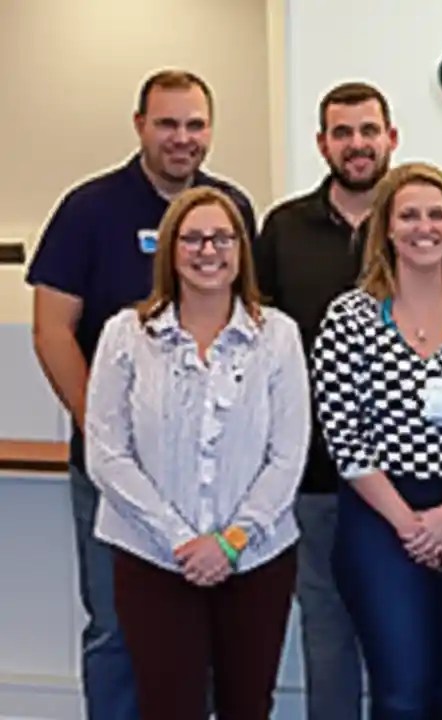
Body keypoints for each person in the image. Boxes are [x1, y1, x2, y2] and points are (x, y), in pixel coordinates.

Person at [24, 68, 255, 720]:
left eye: (195, 125)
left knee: (202, 632)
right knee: (119, 631)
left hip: (211, 475)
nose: (182, 139)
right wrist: (108, 438)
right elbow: (51, 333)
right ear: (139, 126)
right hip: (114, 476)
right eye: (167, 124)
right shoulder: (89, 209)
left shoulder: (231, 206)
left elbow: (253, 326)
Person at [83, 186, 305, 719]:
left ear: (241, 251)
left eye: (223, 238)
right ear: (170, 251)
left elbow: (288, 455)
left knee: (247, 706)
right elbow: (106, 453)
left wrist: (230, 541)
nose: (209, 251)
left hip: (256, 558)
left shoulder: (278, 336)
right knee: (168, 706)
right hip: (153, 558)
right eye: (193, 239)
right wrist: (183, 541)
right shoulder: (125, 335)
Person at [311, 161, 442, 718]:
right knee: (401, 694)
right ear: (386, 228)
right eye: (408, 216)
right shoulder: (348, 318)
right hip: (380, 519)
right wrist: (412, 526)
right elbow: (345, 437)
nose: (423, 227)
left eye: (436, 214)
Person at [254, 80, 399, 720]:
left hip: (408, 479)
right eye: (343, 133)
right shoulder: (284, 230)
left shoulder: (419, 220)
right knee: (328, 639)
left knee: (402, 642)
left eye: (369, 131)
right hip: (315, 477)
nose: (357, 145)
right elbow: (260, 349)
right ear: (322, 143)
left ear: (391, 138)